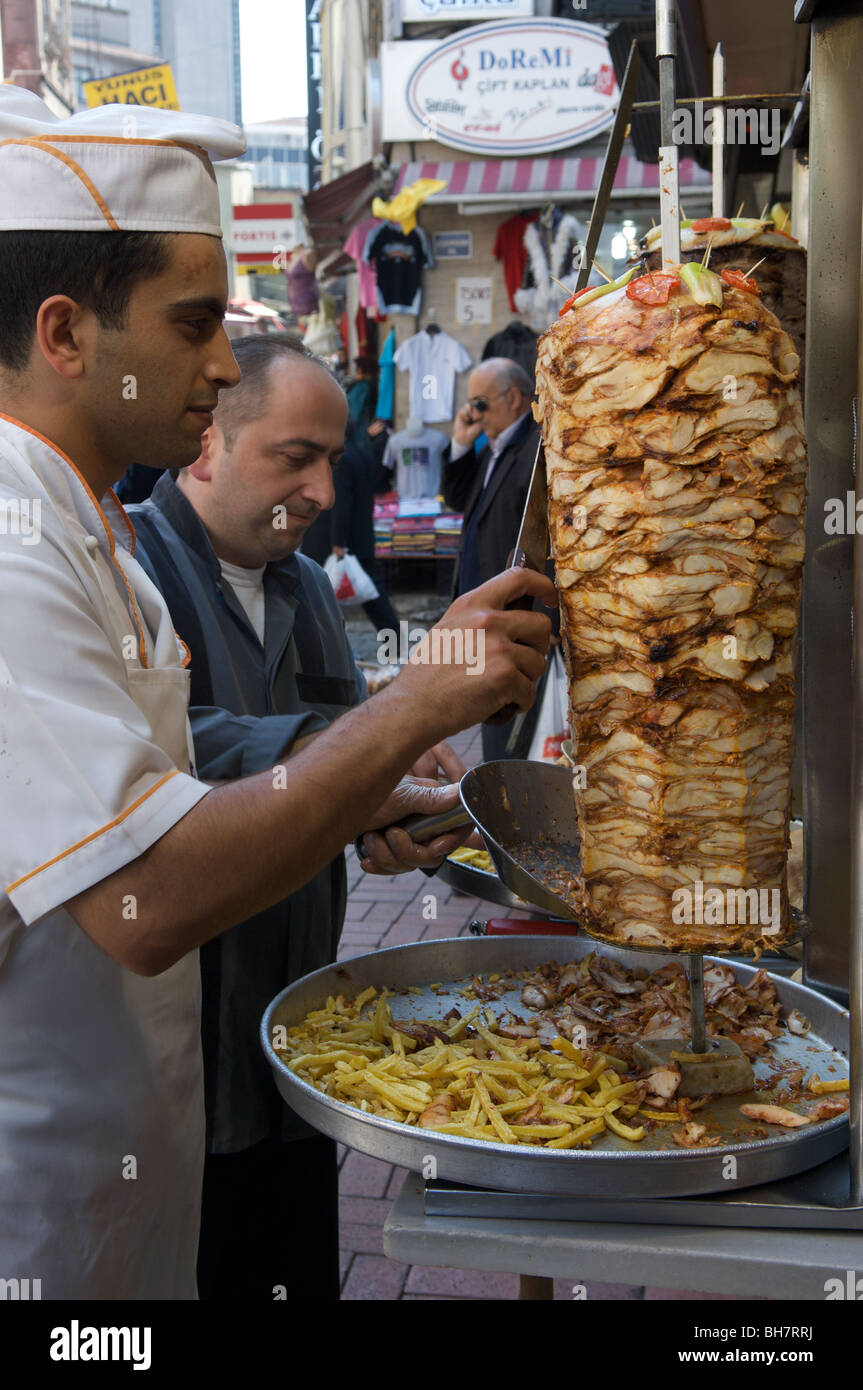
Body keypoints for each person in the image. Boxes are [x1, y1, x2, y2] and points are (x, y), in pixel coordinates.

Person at [0, 89, 554, 1300]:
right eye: (194, 324)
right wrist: (414, 702)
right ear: (63, 333)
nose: (218, 363)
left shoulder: (83, 524)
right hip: (32, 1205)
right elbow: (144, 895)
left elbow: (171, 796)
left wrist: (365, 796)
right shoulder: (11, 542)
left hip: (132, 1169)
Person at [128, 334, 445, 1301]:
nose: (320, 489)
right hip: (168, 1064)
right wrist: (365, 743)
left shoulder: (308, 585)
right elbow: (167, 747)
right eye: (292, 456)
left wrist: (401, 813)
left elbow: (333, 771)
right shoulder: (125, 567)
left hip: (303, 1047)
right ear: (206, 444)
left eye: (330, 460)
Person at [443, 356, 545, 762]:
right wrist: (460, 445)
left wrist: (546, 617)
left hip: (518, 614)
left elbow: (549, 528)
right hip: (488, 609)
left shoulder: (536, 445)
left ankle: (510, 805)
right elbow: (458, 497)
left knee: (520, 730)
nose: (472, 413)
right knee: (491, 714)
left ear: (515, 398)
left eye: (480, 404)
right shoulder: (493, 448)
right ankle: (496, 794)